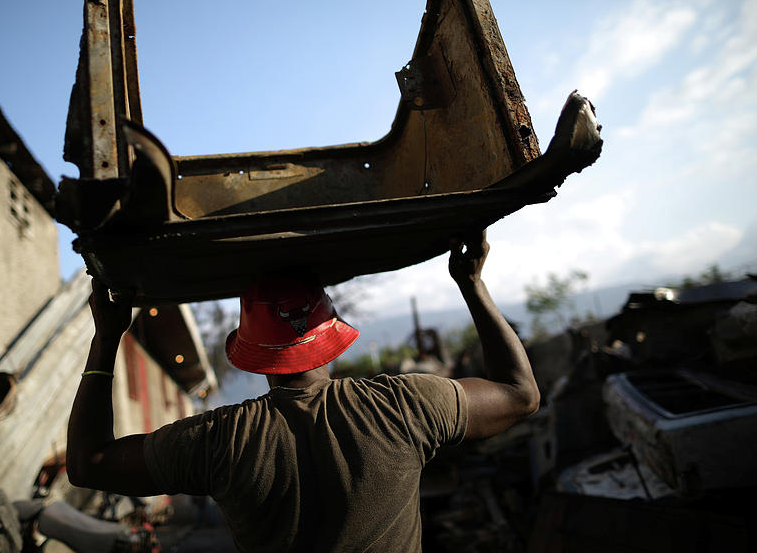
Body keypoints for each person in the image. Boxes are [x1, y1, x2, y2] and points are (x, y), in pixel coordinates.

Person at [67, 232, 539, 552]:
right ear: (332, 332)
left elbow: (88, 465)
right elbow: (520, 394)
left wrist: (107, 339)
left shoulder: (220, 440)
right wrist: (472, 283)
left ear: (253, 352)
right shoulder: (404, 406)